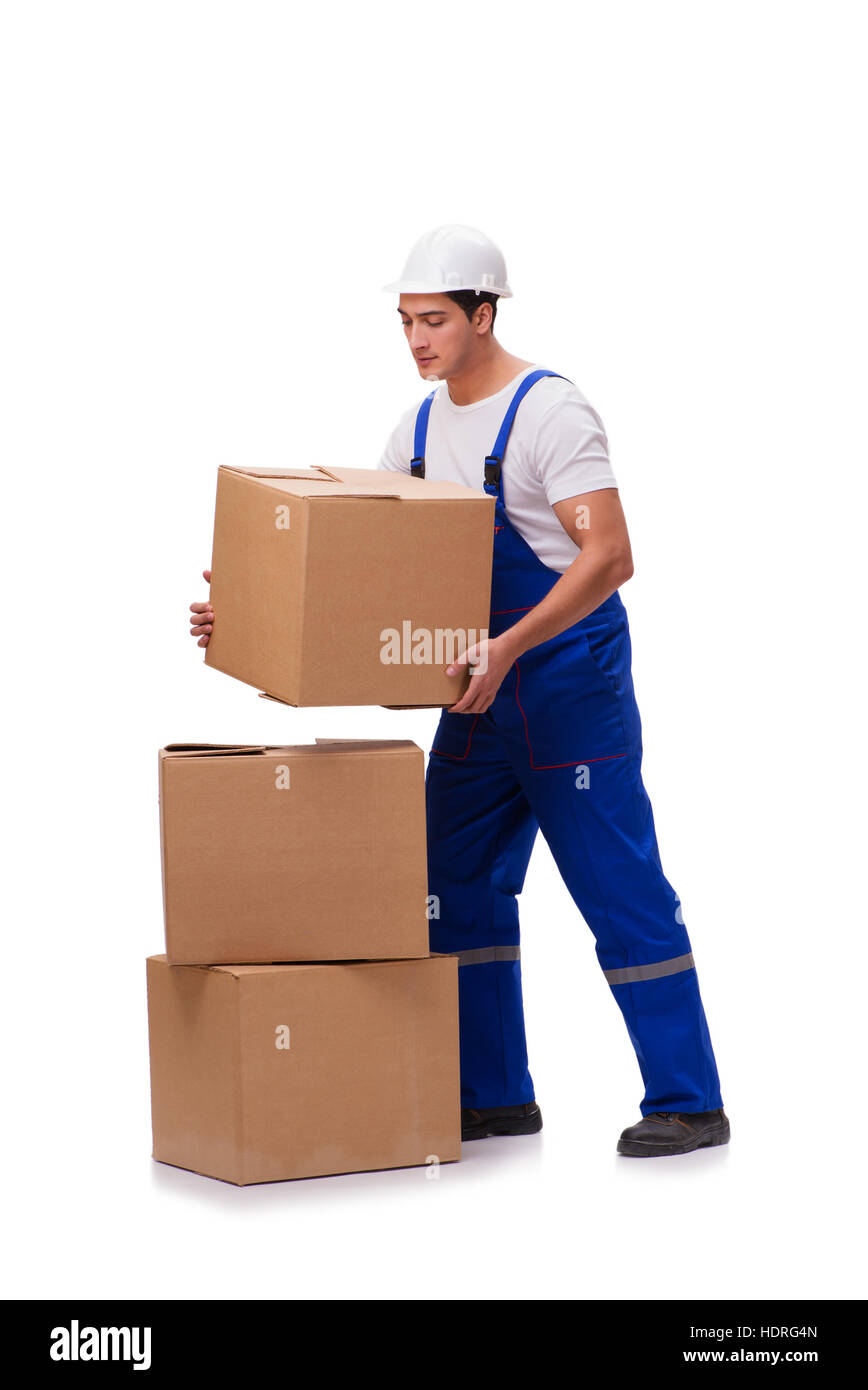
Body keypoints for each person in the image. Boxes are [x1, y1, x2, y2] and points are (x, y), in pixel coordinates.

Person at [190, 224, 730, 1158]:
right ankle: (492, 1094)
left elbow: (611, 556)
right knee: (449, 888)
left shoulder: (551, 414)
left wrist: (512, 645)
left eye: (434, 319)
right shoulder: (419, 430)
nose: (417, 341)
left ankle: (689, 1099)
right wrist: (240, 618)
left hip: (565, 690)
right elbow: (375, 573)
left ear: (486, 313)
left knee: (619, 889)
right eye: (405, 321)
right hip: (473, 695)